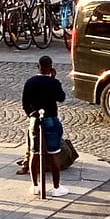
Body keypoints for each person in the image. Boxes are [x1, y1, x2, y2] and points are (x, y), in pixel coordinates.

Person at [21, 55, 70, 197]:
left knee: (34, 153)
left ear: (38, 66)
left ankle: (35, 186)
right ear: (50, 67)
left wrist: (31, 115)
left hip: (35, 120)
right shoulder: (53, 83)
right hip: (51, 119)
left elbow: (25, 103)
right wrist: (54, 79)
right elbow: (61, 97)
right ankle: (56, 187)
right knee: (54, 153)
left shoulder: (30, 82)